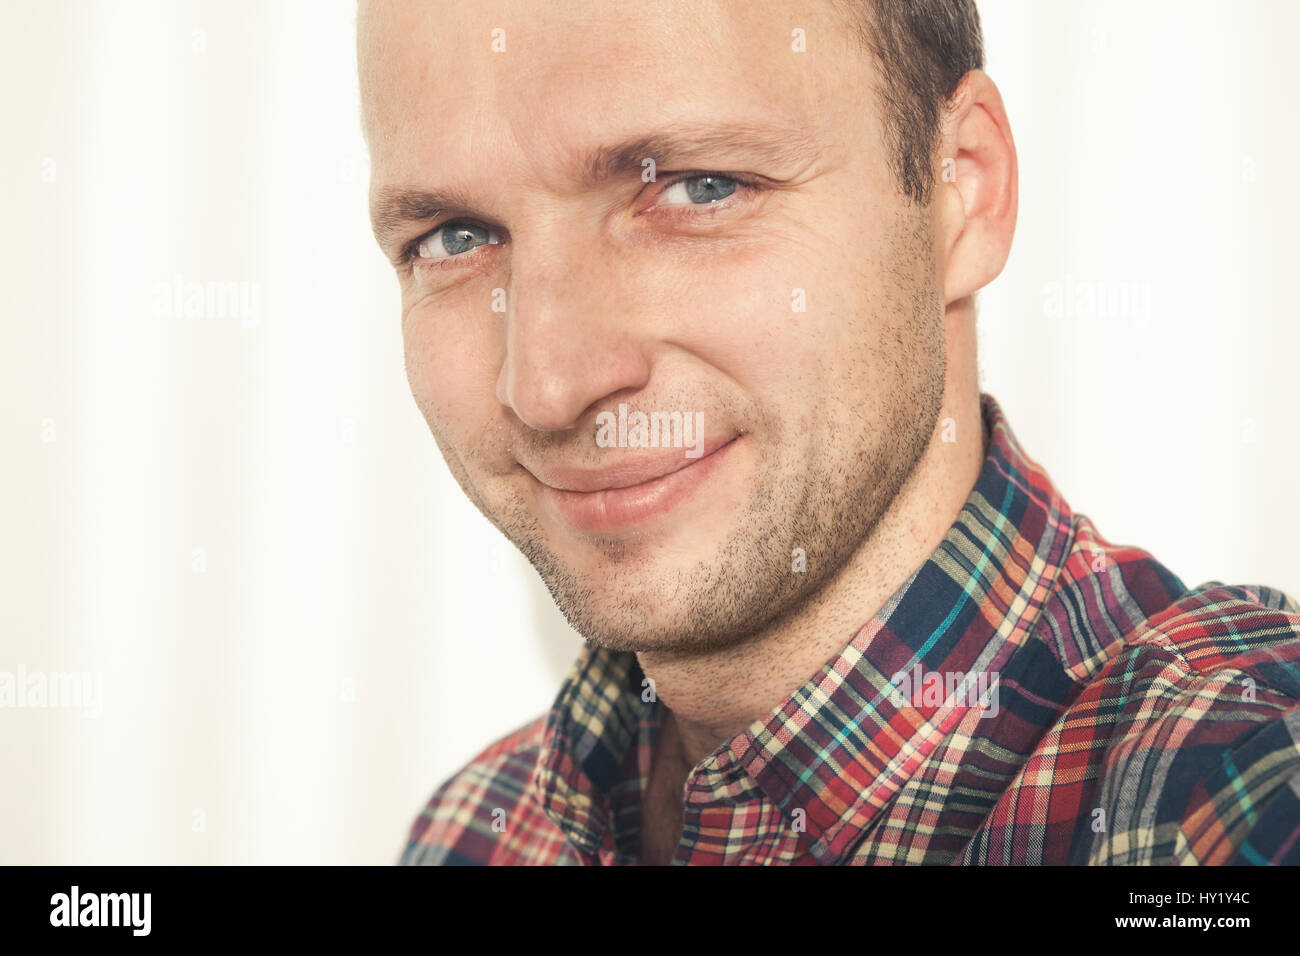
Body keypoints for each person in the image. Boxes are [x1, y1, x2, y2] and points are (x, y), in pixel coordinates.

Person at [357, 0, 1300, 864]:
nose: (548, 385)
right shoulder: (476, 833)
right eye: (454, 237)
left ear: (960, 192)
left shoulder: (1230, 793)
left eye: (697, 188)